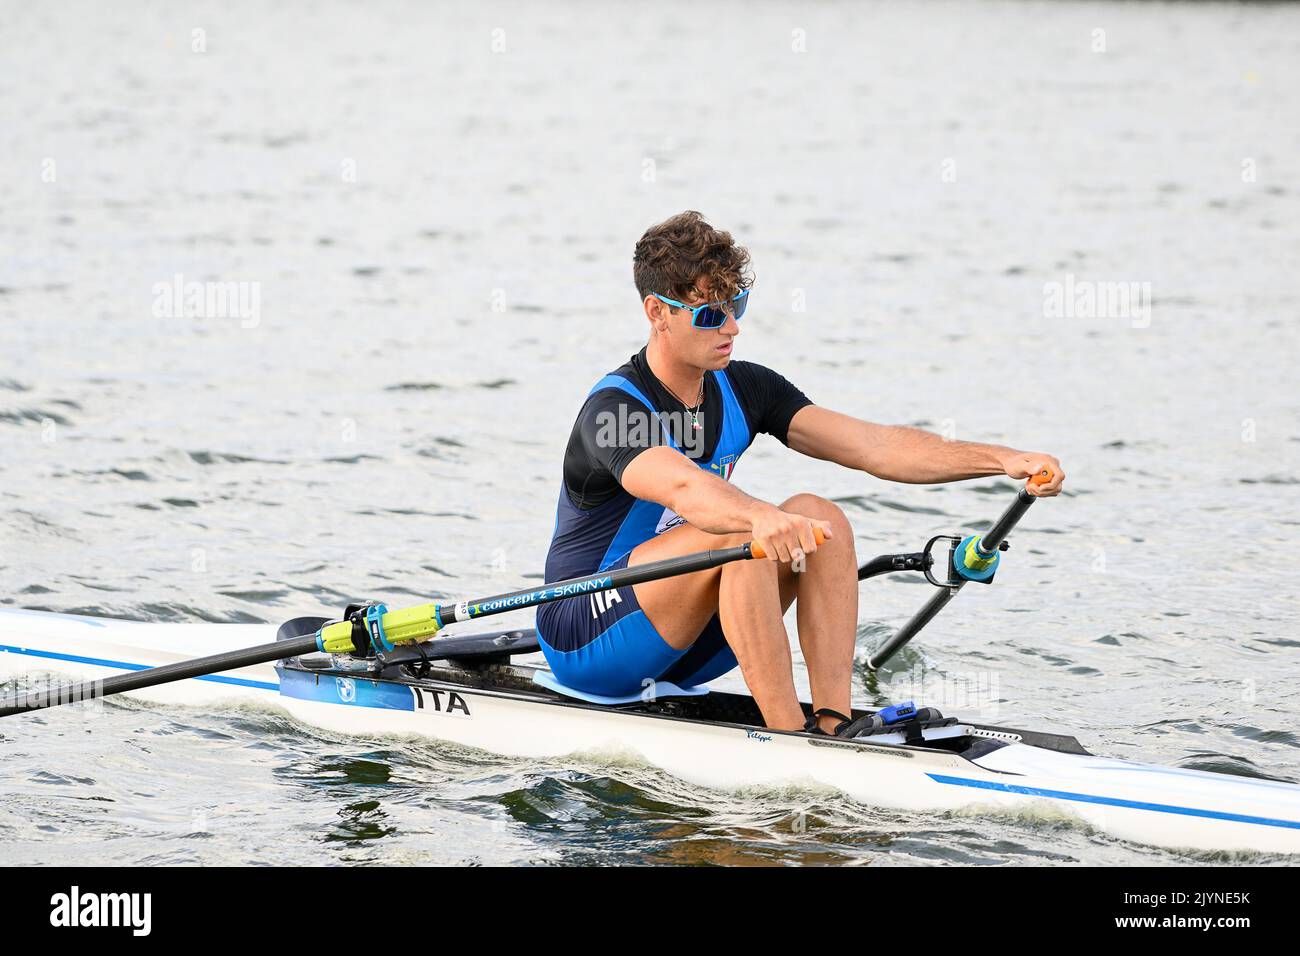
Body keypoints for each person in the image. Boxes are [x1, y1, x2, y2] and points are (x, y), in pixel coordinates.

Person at [537, 211, 1064, 734]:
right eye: (709, 315)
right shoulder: (613, 411)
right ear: (658, 312)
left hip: (684, 645)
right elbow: (683, 487)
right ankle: (789, 737)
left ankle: (833, 724)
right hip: (587, 632)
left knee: (819, 517)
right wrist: (758, 516)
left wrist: (1002, 460)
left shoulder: (746, 388)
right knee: (742, 534)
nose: (732, 327)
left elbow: (874, 446)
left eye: (736, 306)